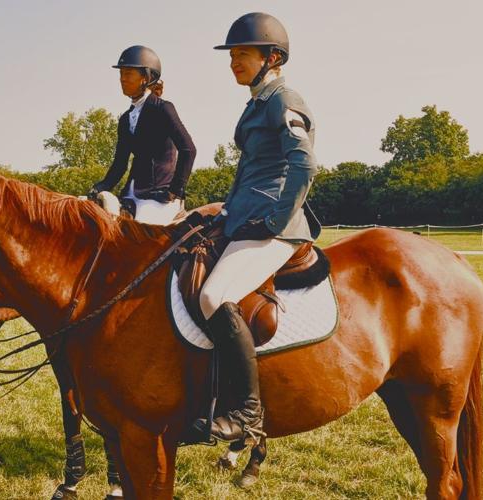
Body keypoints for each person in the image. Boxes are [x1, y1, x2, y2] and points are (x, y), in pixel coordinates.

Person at [192, 12, 321, 442]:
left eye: (242, 55)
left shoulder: (284, 99)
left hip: (273, 227)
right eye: (231, 57)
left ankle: (247, 412)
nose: (234, 63)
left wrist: (276, 221)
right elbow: (250, 169)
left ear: (273, 57)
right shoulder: (257, 103)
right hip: (244, 216)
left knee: (214, 295)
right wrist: (225, 212)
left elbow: (304, 163)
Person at [90, 45, 197, 225]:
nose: (122, 79)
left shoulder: (163, 109)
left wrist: (175, 190)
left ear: (146, 77)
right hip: (130, 196)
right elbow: (120, 164)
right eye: (121, 74)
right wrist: (99, 187)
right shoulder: (125, 119)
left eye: (128, 74)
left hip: (159, 198)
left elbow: (188, 150)